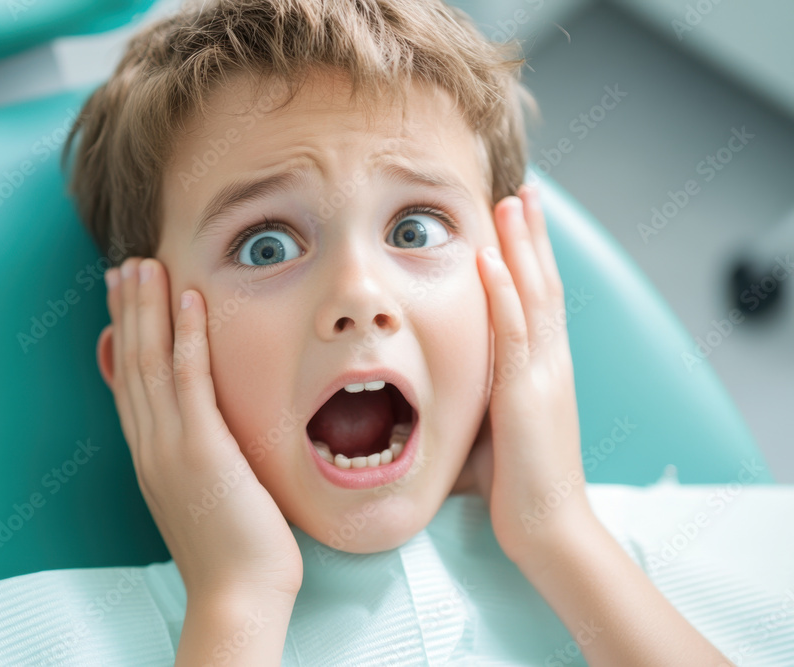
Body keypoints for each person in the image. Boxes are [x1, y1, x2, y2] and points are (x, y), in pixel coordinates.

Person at [62, 0, 733, 663]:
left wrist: (558, 529)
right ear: (146, 362)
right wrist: (238, 597)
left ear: (522, 293)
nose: (359, 294)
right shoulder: (67, 637)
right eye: (266, 246)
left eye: (414, 230)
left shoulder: (680, 555)